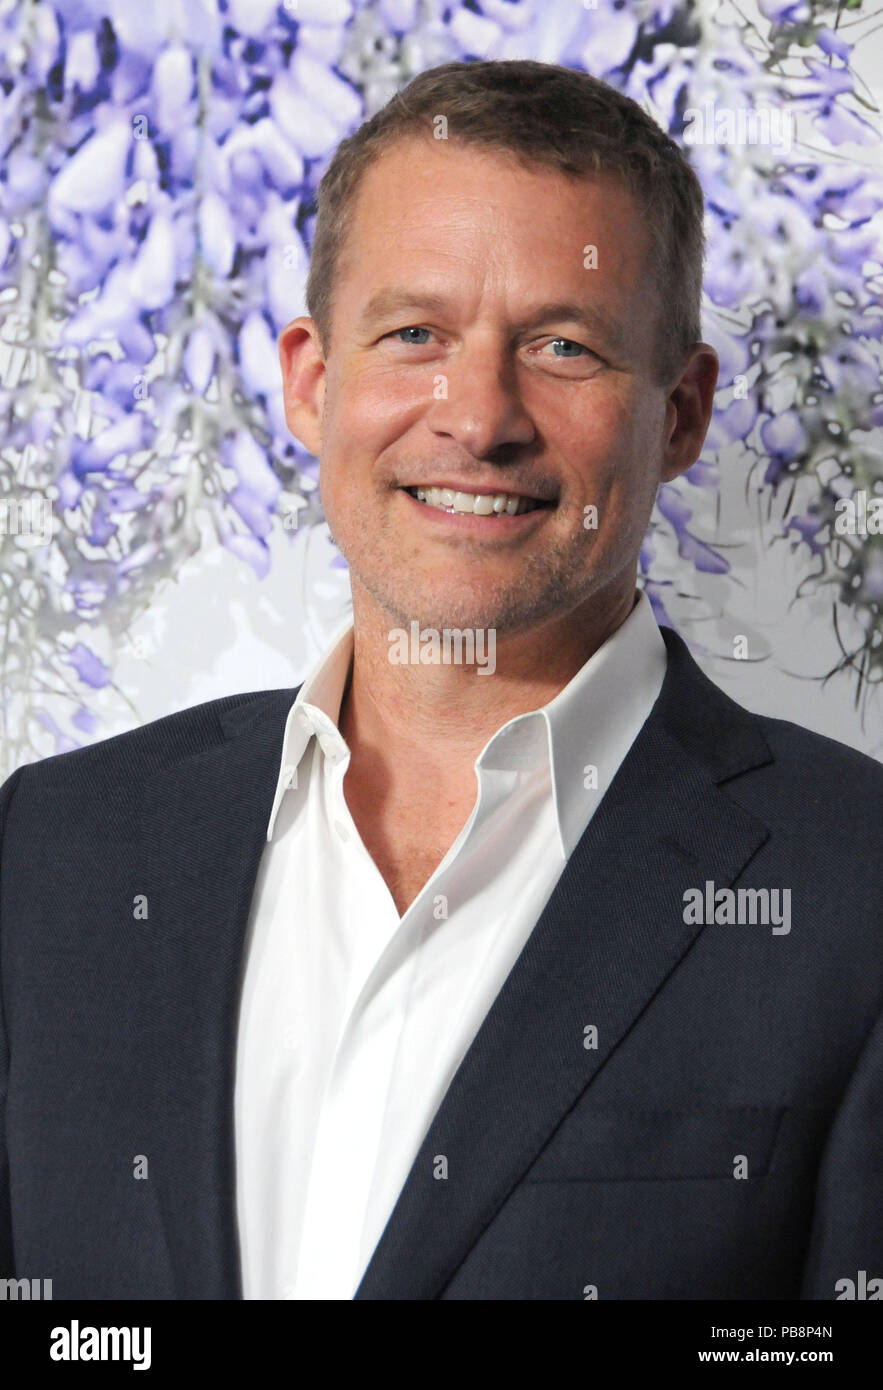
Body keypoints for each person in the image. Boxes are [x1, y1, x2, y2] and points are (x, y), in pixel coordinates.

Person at [1, 59, 881, 1301]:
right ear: (313, 381)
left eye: (563, 346)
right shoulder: (57, 849)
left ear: (679, 415)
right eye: (415, 334)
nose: (477, 416)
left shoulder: (852, 889)